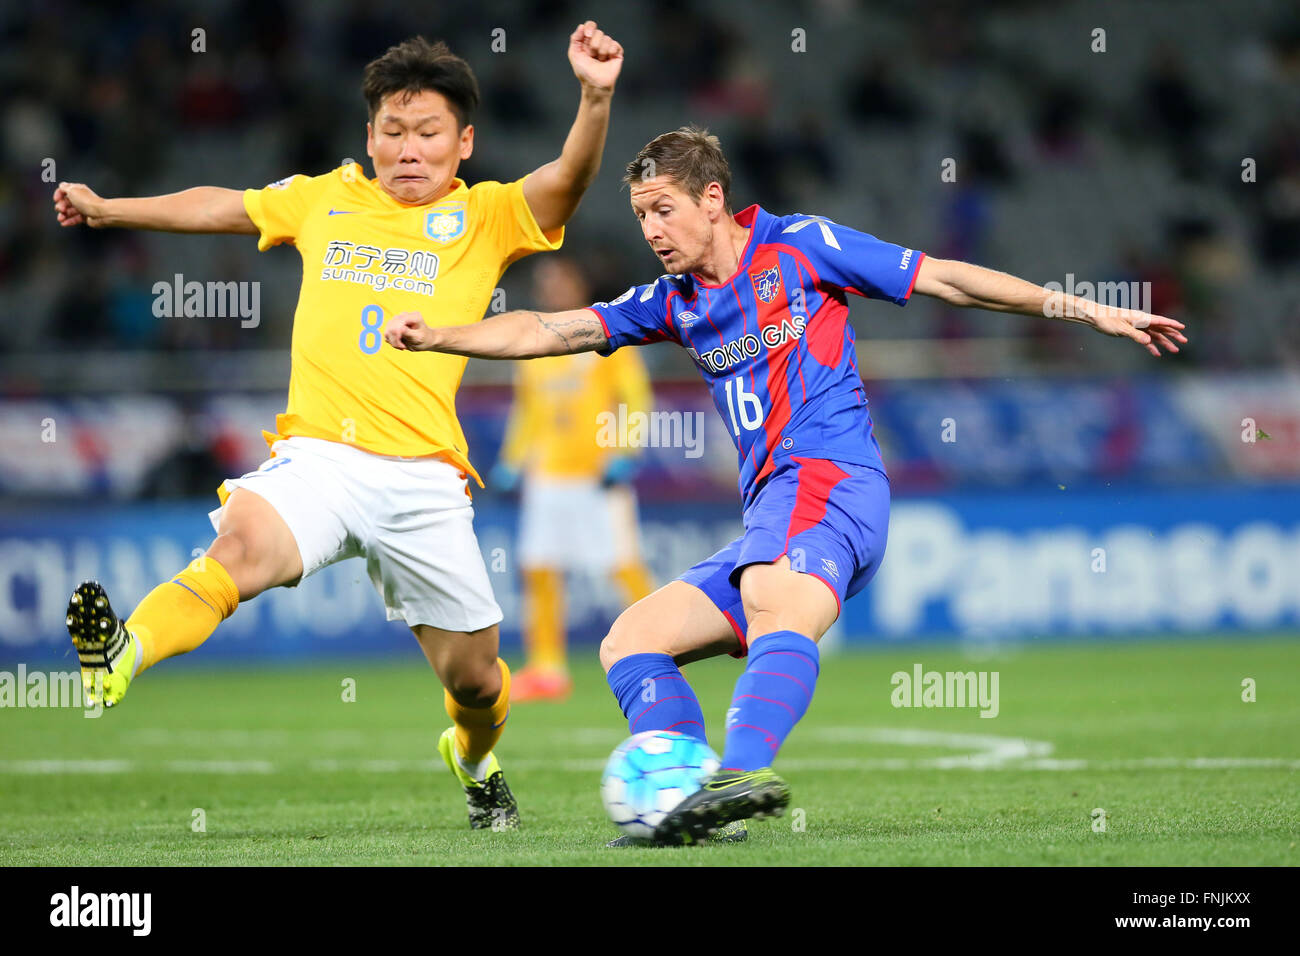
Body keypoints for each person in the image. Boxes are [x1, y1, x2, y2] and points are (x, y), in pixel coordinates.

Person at [381, 126, 1187, 844]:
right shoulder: (673, 303)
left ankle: (743, 772)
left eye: (664, 209)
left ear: (712, 199)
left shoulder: (801, 247)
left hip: (831, 483)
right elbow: (551, 329)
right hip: (775, 509)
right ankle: (695, 805)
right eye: (640, 217)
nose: (652, 231)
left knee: (773, 594)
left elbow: (944, 279)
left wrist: (1085, 310)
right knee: (630, 642)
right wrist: (440, 336)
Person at [53, 24, 624, 831]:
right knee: (238, 551)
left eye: (428, 133)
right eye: (392, 132)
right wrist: (111, 208)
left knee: (480, 684)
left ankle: (471, 758)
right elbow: (221, 205)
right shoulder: (327, 196)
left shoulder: (485, 216)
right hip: (318, 456)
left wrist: (595, 97)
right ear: (370, 137)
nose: (408, 150)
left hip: (423, 478)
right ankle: (123, 655)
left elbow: (567, 180)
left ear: (464, 142)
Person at [494, 256, 655, 702]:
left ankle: (669, 645)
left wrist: (625, 452)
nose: (551, 288)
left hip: (597, 475)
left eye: (559, 279)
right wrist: (512, 461)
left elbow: (635, 398)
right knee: (540, 568)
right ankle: (548, 669)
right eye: (545, 282)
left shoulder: (604, 334)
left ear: (579, 283)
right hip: (547, 477)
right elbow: (527, 412)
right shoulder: (531, 343)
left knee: (622, 568)